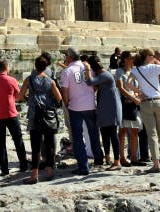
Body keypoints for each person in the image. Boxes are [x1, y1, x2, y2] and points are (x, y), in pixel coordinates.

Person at [60, 47, 104, 176]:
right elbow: (95, 85)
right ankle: (99, 160)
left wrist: (67, 102)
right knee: (94, 133)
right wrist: (89, 95)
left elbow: (65, 91)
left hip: (75, 107)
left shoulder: (67, 71)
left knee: (78, 137)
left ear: (69, 57)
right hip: (89, 105)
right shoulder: (87, 67)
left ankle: (83, 166)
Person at [19, 55, 62, 184]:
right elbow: (59, 98)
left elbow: (20, 96)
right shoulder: (50, 81)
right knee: (49, 145)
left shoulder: (29, 79)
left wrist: (29, 100)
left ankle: (34, 175)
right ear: (46, 67)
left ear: (35, 66)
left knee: (35, 146)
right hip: (48, 115)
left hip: (34, 115)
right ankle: (49, 172)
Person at [132, 48, 160, 173]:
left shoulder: (136, 70)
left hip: (146, 103)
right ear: (147, 57)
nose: (154, 57)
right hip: (159, 101)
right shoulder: (155, 67)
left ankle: (156, 165)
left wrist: (139, 92)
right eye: (152, 55)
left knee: (152, 135)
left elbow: (127, 84)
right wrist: (159, 64)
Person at [0, 59, 28, 176]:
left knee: (1, 143)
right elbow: (18, 96)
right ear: (7, 67)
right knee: (18, 139)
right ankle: (23, 165)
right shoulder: (12, 80)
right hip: (11, 113)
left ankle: (4, 169)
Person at [83, 55, 122, 170]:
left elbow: (90, 82)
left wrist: (87, 69)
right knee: (104, 133)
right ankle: (108, 157)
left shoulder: (105, 75)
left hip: (111, 108)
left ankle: (117, 161)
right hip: (104, 108)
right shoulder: (103, 74)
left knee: (113, 134)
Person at [115, 50, 143, 166]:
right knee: (122, 131)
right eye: (132, 57)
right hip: (124, 103)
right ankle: (121, 157)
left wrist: (136, 95)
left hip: (133, 103)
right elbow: (121, 88)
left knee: (135, 130)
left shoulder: (134, 71)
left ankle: (134, 157)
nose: (134, 59)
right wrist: (132, 97)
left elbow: (138, 87)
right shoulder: (119, 71)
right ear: (126, 59)